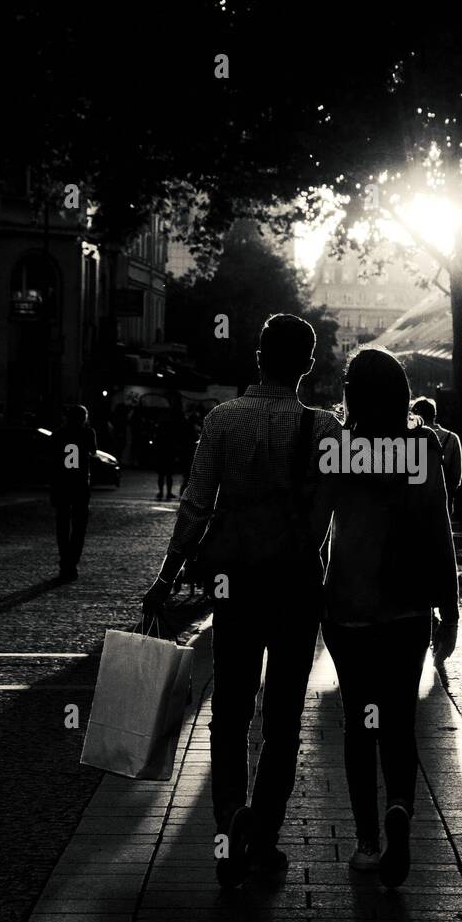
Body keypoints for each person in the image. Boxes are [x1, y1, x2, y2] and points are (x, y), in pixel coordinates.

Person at [142, 315, 338, 888]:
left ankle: (228, 825)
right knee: (283, 716)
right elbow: (330, 519)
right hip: (297, 584)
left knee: (229, 708)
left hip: (236, 582)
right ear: (307, 365)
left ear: (257, 358)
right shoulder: (326, 429)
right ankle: (267, 840)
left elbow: (195, 507)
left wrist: (166, 577)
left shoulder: (224, 420)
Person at [321, 348, 459, 888]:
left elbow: (316, 523)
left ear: (352, 393)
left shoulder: (337, 447)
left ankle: (365, 842)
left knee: (360, 720)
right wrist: (448, 606)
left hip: (349, 606)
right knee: (400, 720)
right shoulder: (423, 446)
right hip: (406, 606)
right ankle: (399, 807)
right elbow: (439, 530)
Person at [50, 404, 96, 582]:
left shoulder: (59, 434)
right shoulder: (87, 433)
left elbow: (53, 460)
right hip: (80, 484)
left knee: (62, 525)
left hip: (62, 483)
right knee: (79, 526)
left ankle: (64, 560)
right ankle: (73, 561)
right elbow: (92, 451)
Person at [412, 397, 462, 513]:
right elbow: (456, 475)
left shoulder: (410, 437)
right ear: (434, 415)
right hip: (442, 498)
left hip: (415, 499)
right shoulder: (452, 438)